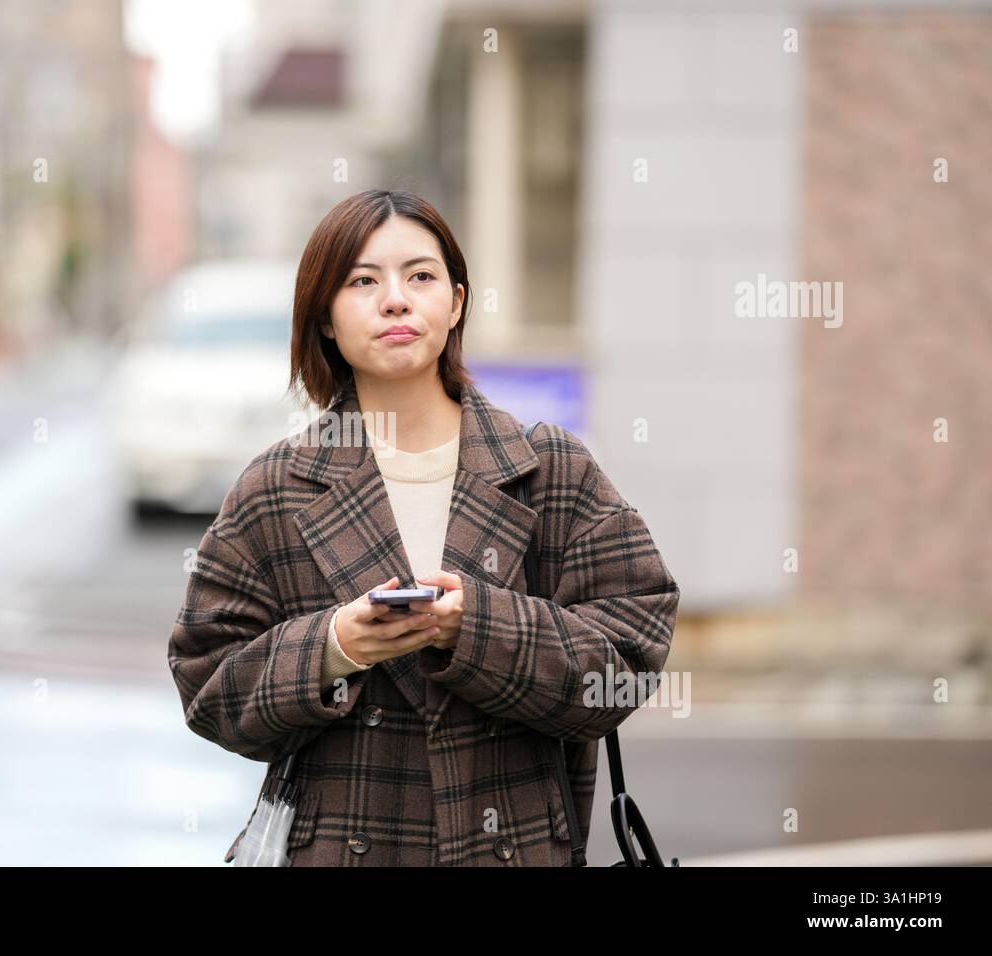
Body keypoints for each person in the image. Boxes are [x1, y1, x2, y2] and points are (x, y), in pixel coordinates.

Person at [168, 188, 680, 865]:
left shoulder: (550, 466)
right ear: (325, 317)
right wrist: (333, 647)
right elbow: (207, 683)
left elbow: (632, 652)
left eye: (420, 276)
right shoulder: (276, 487)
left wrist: (476, 628)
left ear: (457, 302)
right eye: (362, 281)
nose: (395, 300)